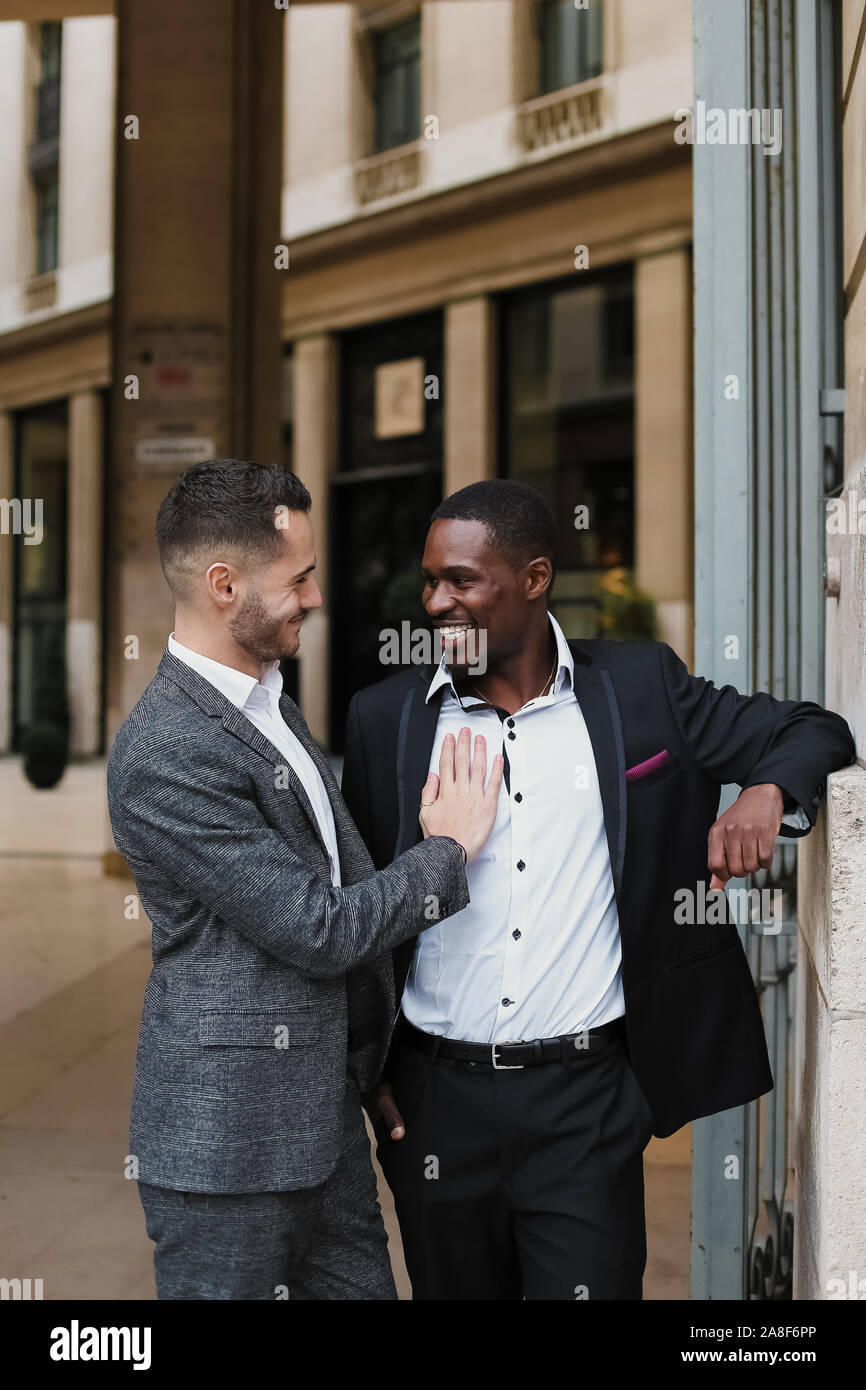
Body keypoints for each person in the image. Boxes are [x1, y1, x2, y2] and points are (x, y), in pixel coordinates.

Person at [341, 478, 855, 1301]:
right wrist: (369, 1070)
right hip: (435, 1104)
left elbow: (814, 729)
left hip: (586, 1102)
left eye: (462, 581)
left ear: (536, 579)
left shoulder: (640, 689)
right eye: (431, 580)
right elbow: (361, 905)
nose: (436, 601)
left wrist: (767, 793)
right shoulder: (385, 718)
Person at [107, 458, 502, 1300]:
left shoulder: (272, 703)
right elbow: (316, 926)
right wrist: (448, 850)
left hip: (324, 1132)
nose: (318, 598)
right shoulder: (166, 750)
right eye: (301, 578)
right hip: (226, 1152)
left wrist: (367, 1069)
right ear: (224, 585)